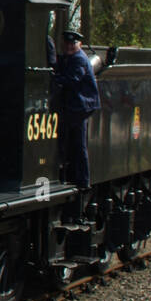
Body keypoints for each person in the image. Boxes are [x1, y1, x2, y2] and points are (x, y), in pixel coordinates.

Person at [53, 29, 101, 191]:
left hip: (81, 106)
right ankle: (67, 173)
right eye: (66, 44)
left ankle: (82, 180)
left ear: (79, 44)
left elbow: (72, 80)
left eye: (72, 44)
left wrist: (53, 79)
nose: (68, 46)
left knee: (79, 144)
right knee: (70, 141)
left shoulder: (79, 60)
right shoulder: (69, 58)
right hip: (74, 105)